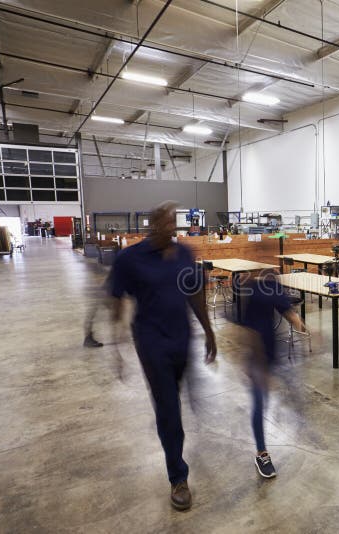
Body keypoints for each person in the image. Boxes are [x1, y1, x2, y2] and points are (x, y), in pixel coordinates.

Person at [111, 202, 217, 511]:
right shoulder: (130, 259)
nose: (172, 228)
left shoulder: (184, 253)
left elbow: (195, 292)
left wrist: (209, 331)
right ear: (152, 224)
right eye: (166, 223)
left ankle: (171, 434)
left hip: (181, 339)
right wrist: (116, 347)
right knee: (169, 408)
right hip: (151, 342)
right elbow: (116, 299)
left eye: (174, 223)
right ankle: (178, 478)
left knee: (177, 397)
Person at [238, 269, 307, 478]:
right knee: (260, 404)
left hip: (273, 352)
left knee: (294, 395)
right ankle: (262, 453)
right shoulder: (251, 290)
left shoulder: (272, 283)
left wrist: (301, 324)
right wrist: (253, 364)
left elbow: (287, 310)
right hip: (257, 356)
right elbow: (245, 331)